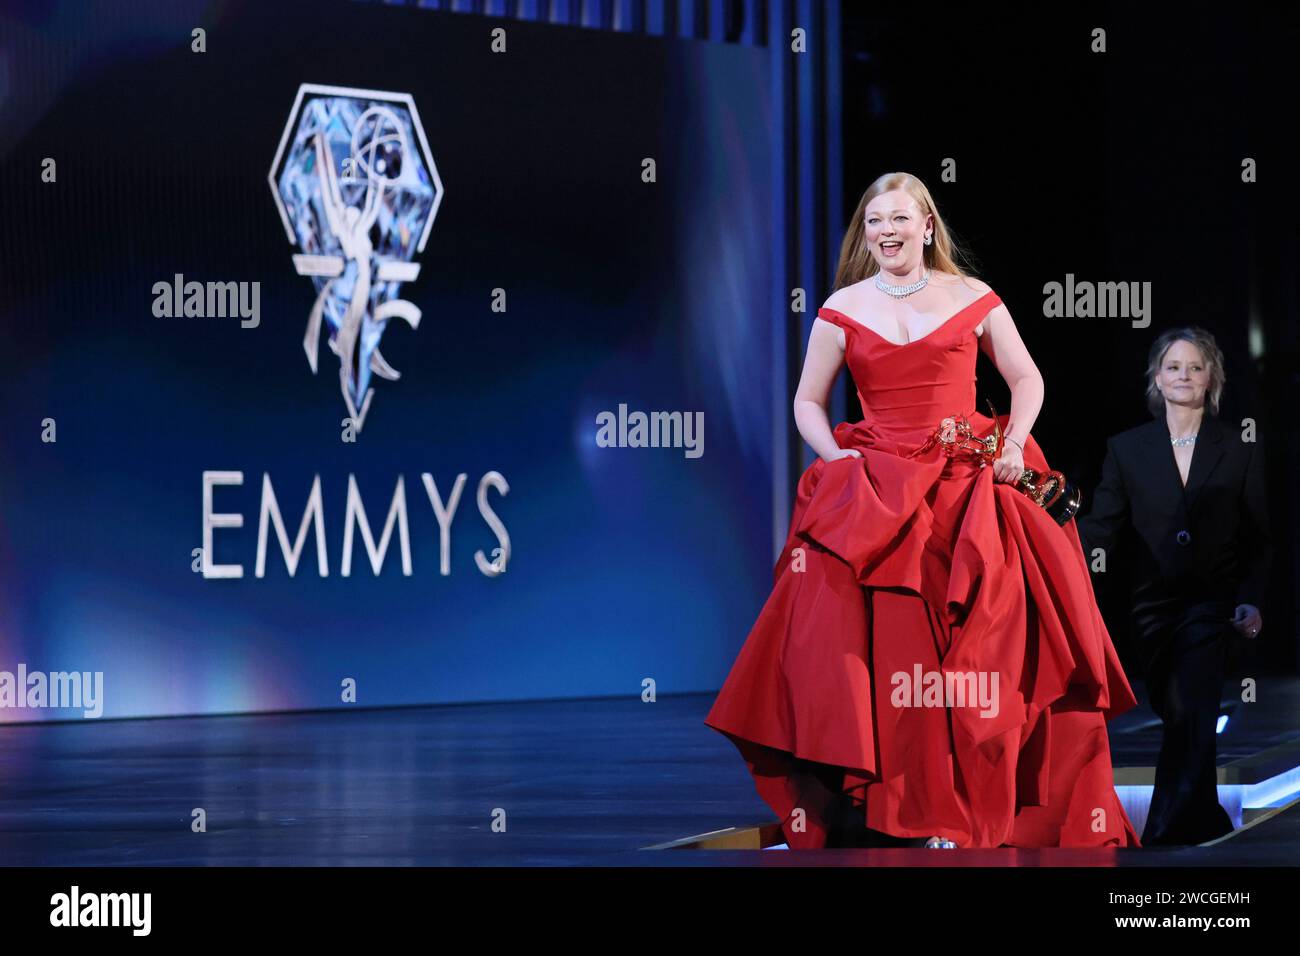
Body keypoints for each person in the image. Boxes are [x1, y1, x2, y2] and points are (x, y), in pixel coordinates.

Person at [704, 171, 1141, 849]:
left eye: (899, 219)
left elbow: (1027, 377)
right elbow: (806, 402)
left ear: (928, 225)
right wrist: (835, 459)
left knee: (987, 644)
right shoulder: (841, 307)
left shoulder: (973, 296)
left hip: (968, 481)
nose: (886, 232)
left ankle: (983, 801)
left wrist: (1017, 445)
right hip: (878, 488)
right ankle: (900, 807)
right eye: (874, 222)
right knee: (876, 648)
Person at [1076, 328, 1271, 845]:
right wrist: (1053, 539)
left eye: (1195, 367)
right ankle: (1204, 816)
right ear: (1157, 379)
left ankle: (1162, 831)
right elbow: (1102, 528)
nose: (1183, 375)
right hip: (1151, 609)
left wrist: (1251, 596)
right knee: (1184, 711)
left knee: (1191, 706)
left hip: (1211, 603)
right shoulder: (1127, 448)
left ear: (1212, 380)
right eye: (1173, 367)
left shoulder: (1238, 446)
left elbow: (1259, 535)